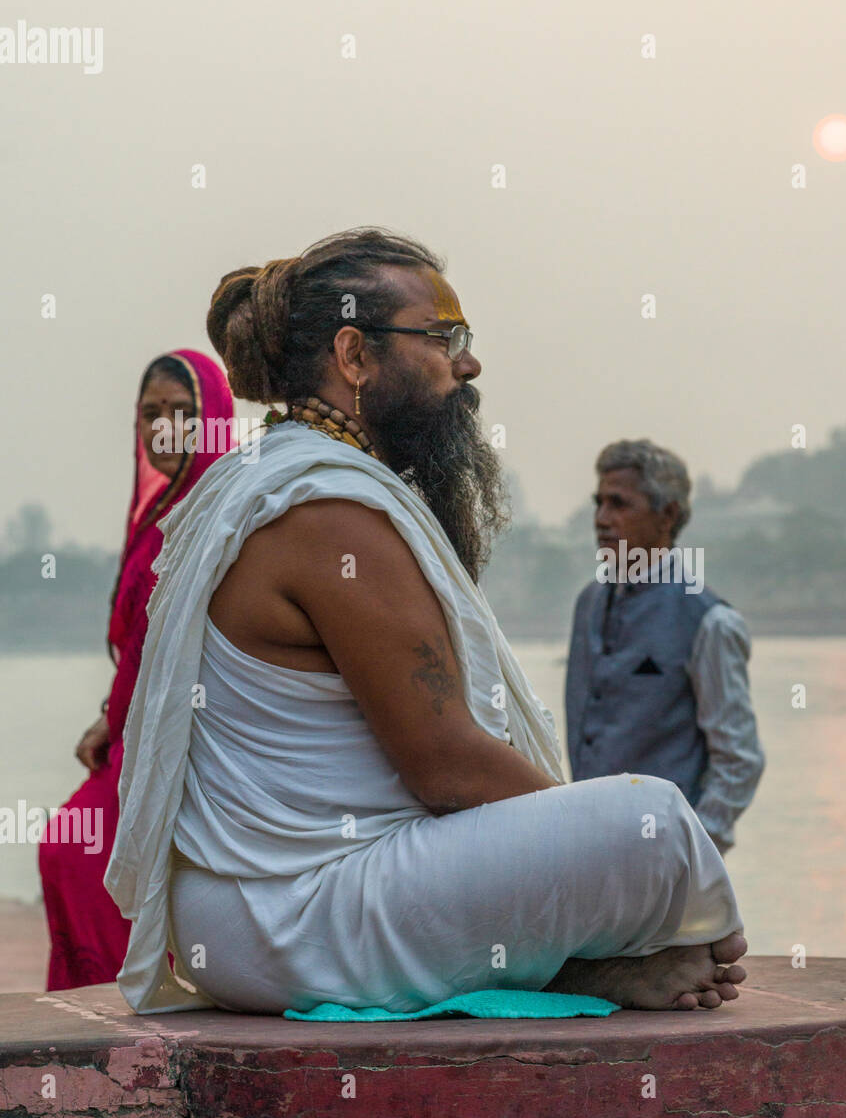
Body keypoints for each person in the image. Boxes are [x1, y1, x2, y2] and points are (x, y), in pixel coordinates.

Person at [104, 228, 747, 1017]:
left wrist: (567, 857)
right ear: (355, 355)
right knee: (651, 824)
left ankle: (568, 966)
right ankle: (595, 956)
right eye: (445, 339)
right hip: (293, 917)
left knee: (623, 828)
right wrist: (588, 860)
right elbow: (446, 767)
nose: (468, 364)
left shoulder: (281, 478)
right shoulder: (329, 512)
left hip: (256, 918)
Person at [39, 350, 236, 990]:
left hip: (179, 735)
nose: (163, 428)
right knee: (72, 849)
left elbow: (156, 649)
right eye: (150, 414)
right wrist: (111, 720)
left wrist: (109, 722)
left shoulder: (206, 520)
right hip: (139, 730)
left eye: (182, 413)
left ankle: (117, 997)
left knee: (75, 848)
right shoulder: (160, 518)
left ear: (213, 422)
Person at [565, 441, 764, 854]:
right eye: (598, 503)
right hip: (586, 854)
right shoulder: (588, 603)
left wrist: (694, 852)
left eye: (619, 504)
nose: (602, 519)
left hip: (663, 862)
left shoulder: (708, 620)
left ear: (667, 515)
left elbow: (739, 758)